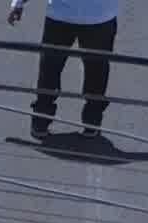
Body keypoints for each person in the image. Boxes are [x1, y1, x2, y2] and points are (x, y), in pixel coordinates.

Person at [15, 0, 124, 135]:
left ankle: (41, 121)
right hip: (99, 18)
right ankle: (92, 121)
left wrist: (18, 4)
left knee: (50, 68)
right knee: (96, 70)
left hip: (61, 15)